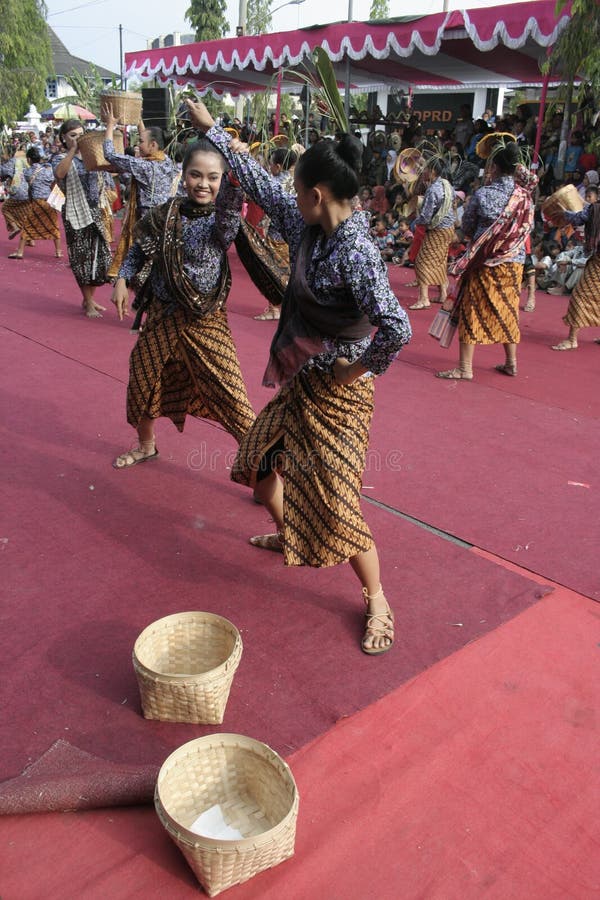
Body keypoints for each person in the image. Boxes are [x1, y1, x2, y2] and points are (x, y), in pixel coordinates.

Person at [186, 97, 412, 656]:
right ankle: (290, 532)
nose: (289, 196)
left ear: (316, 195)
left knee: (337, 502)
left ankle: (377, 598)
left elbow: (397, 328)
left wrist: (354, 369)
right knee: (260, 472)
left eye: (297, 188)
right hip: (301, 384)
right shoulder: (308, 223)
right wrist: (214, 130)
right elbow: (259, 185)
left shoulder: (356, 252)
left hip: (340, 394)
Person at [111, 138, 256, 468]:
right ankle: (146, 445)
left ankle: (261, 465)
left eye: (213, 177)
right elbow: (137, 250)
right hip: (162, 315)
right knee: (144, 381)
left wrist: (235, 178)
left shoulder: (220, 222)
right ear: (183, 173)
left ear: (222, 179)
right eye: (195, 175)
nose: (203, 184)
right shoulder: (165, 213)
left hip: (205, 320)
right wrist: (121, 278)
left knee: (232, 396)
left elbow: (230, 211)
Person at [436, 139, 536, 380]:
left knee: (471, 309)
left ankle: (465, 367)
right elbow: (529, 227)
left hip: (484, 262)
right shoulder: (525, 196)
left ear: (495, 167)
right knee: (508, 309)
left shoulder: (483, 194)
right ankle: (511, 362)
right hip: (514, 263)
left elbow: (468, 228)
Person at [103, 109, 180, 278]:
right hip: (165, 220)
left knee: (145, 270)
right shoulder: (166, 162)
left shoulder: (145, 167)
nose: (137, 145)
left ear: (153, 145)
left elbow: (108, 155)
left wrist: (110, 126)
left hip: (148, 223)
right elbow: (150, 142)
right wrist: (139, 122)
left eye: (140, 141)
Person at [53, 119, 113, 318]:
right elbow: (59, 174)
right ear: (63, 138)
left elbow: (109, 176)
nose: (78, 138)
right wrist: (73, 151)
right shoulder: (60, 158)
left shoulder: (92, 154)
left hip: (96, 210)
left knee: (100, 257)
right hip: (74, 212)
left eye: (81, 134)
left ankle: (90, 298)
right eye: (73, 135)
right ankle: (88, 302)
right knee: (82, 259)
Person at [550, 198, 600, 350]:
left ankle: (572, 339)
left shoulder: (595, 209)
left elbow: (578, 218)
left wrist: (563, 212)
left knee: (581, 295)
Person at [410, 158, 455, 310]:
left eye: (426, 169)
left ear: (433, 171)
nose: (424, 171)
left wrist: (415, 220)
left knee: (422, 261)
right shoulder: (447, 185)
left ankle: (424, 298)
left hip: (438, 229)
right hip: (449, 228)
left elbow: (426, 215)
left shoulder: (433, 189)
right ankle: (442, 293)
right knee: (440, 261)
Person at [8, 147, 62, 260]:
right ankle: (58, 252)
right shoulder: (48, 170)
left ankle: (20, 252)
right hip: (48, 202)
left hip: (37, 202)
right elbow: (53, 180)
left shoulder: (27, 172)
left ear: (28, 159)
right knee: (54, 226)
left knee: (27, 226)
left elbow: (29, 183)